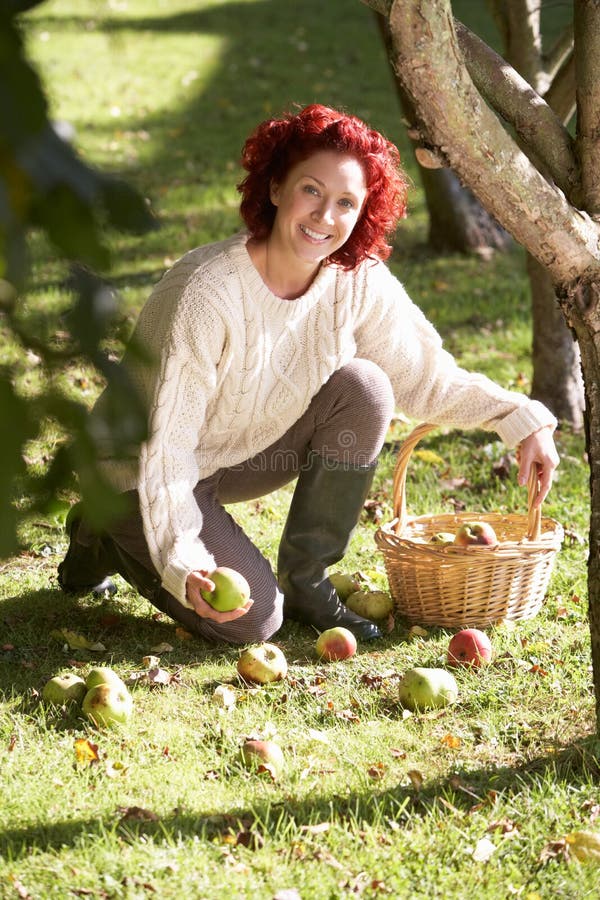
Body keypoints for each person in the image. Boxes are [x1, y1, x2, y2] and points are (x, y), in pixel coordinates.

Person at [57, 103, 559, 645]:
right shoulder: (205, 293)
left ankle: (306, 582)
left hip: (239, 453)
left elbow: (425, 377)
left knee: (365, 386)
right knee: (252, 622)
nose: (325, 216)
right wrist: (183, 561)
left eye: (346, 202)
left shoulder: (356, 281)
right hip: (141, 468)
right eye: (311, 191)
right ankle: (104, 531)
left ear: (363, 212)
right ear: (275, 188)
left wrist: (520, 418)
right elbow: (167, 446)